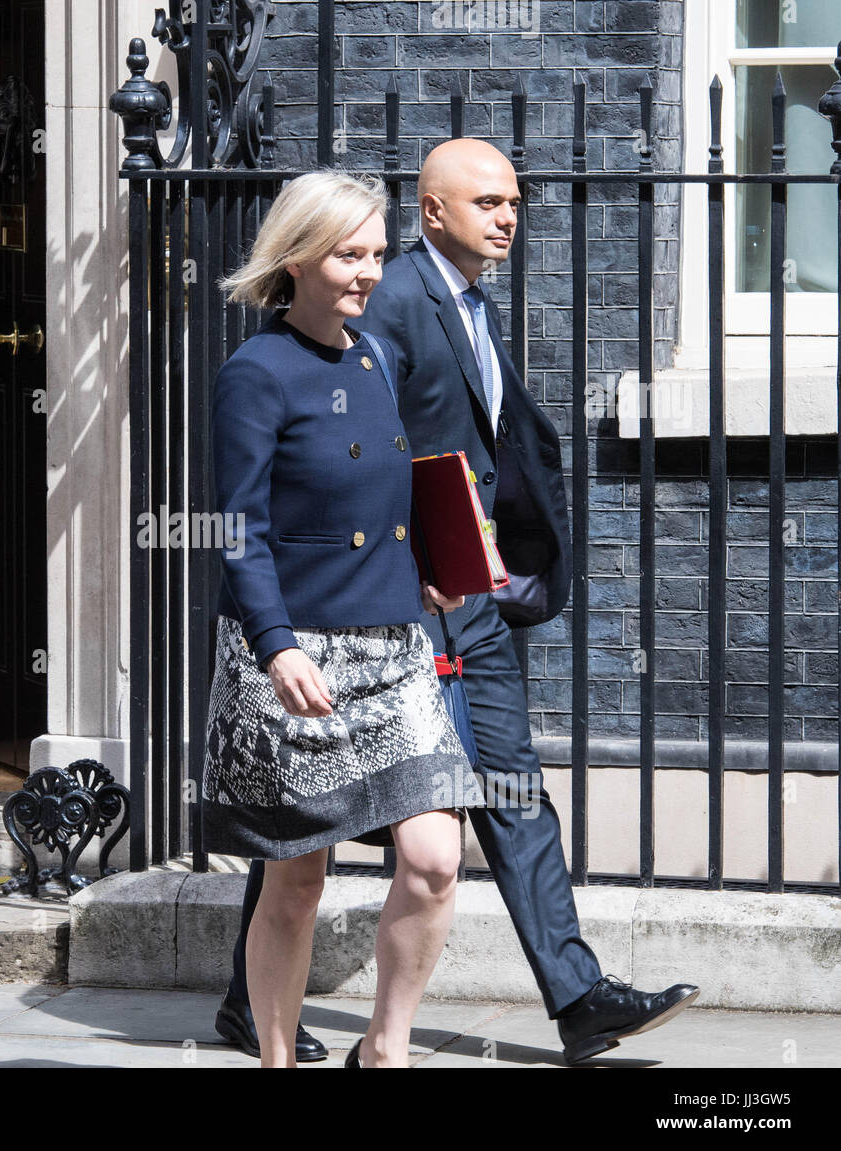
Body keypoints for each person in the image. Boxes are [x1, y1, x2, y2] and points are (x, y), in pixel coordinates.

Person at [214, 139, 700, 1067]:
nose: (508, 215)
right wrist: (279, 639)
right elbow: (283, 497)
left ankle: (567, 994)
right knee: (301, 849)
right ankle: (254, 1004)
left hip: (429, 599)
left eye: (515, 200)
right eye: (488, 200)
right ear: (434, 212)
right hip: (334, 625)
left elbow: (412, 461)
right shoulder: (376, 313)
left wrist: (443, 560)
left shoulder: (443, 313)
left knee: (487, 807)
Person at [202, 169, 487, 1068]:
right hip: (296, 649)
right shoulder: (255, 373)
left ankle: (384, 1049)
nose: (369, 271)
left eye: (374, 252)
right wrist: (276, 646)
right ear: (296, 259)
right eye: (349, 254)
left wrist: (434, 573)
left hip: (393, 643)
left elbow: (387, 494)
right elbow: (240, 527)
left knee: (437, 856)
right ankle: (277, 1058)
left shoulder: (377, 357)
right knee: (296, 880)